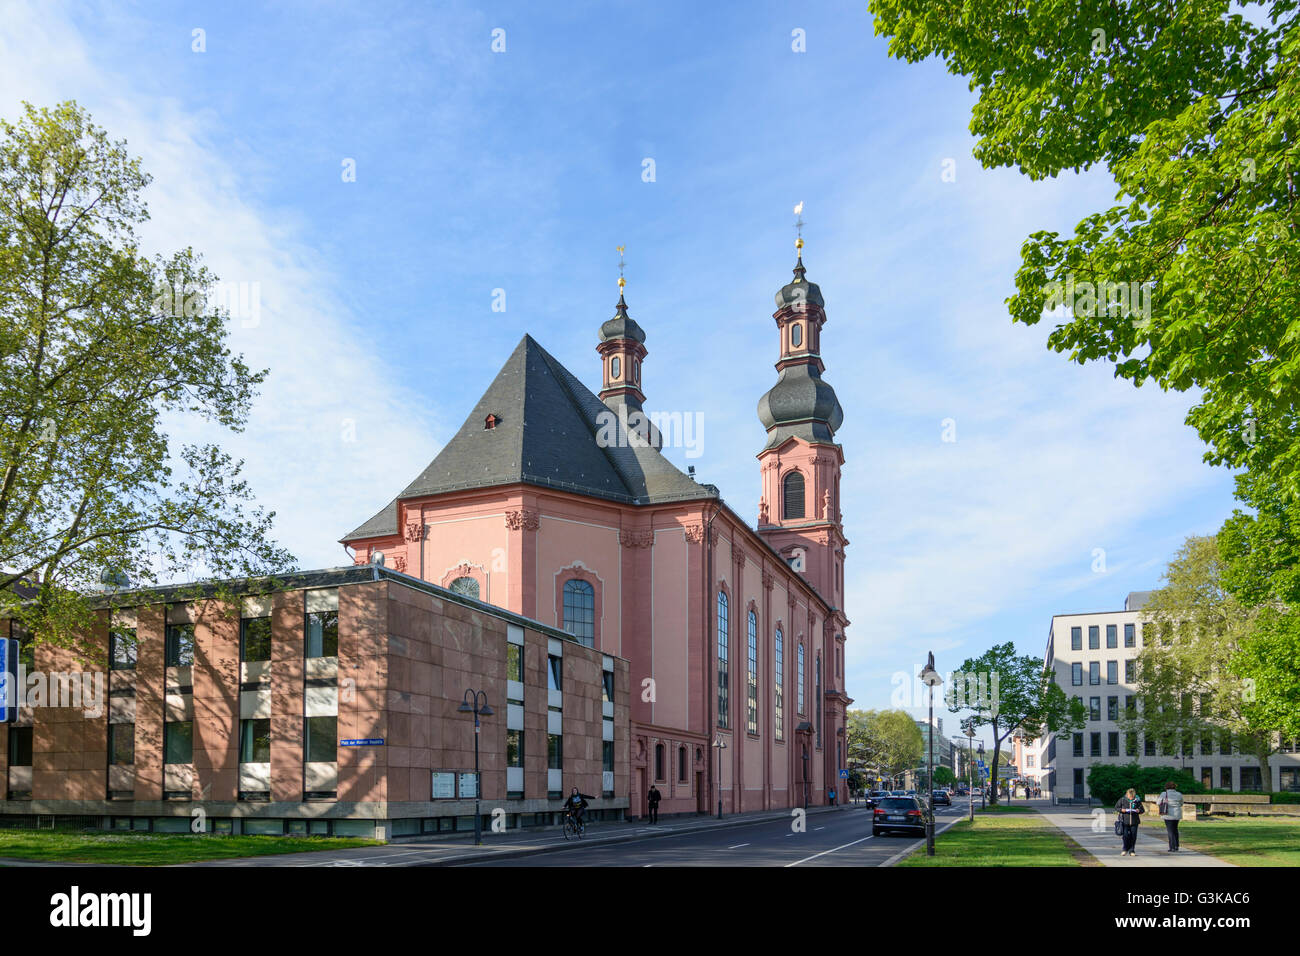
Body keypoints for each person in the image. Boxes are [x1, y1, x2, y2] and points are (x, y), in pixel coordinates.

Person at [1116, 786, 1144, 856]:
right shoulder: (1122, 800)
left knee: (1133, 836)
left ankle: (1132, 850)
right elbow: (1116, 807)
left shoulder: (1137, 801)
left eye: (1132, 797)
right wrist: (1122, 810)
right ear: (1127, 795)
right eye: (1129, 796)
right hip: (1125, 821)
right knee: (1125, 836)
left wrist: (1138, 810)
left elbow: (1142, 810)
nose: (1131, 798)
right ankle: (1125, 849)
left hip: (1135, 821)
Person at [1158, 780, 1184, 851]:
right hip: (1177, 813)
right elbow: (1181, 803)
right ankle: (1176, 846)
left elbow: (1158, 802)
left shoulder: (1164, 794)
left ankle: (1172, 846)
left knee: (1170, 831)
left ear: (1166, 787)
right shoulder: (1179, 794)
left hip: (1168, 814)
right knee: (1175, 829)